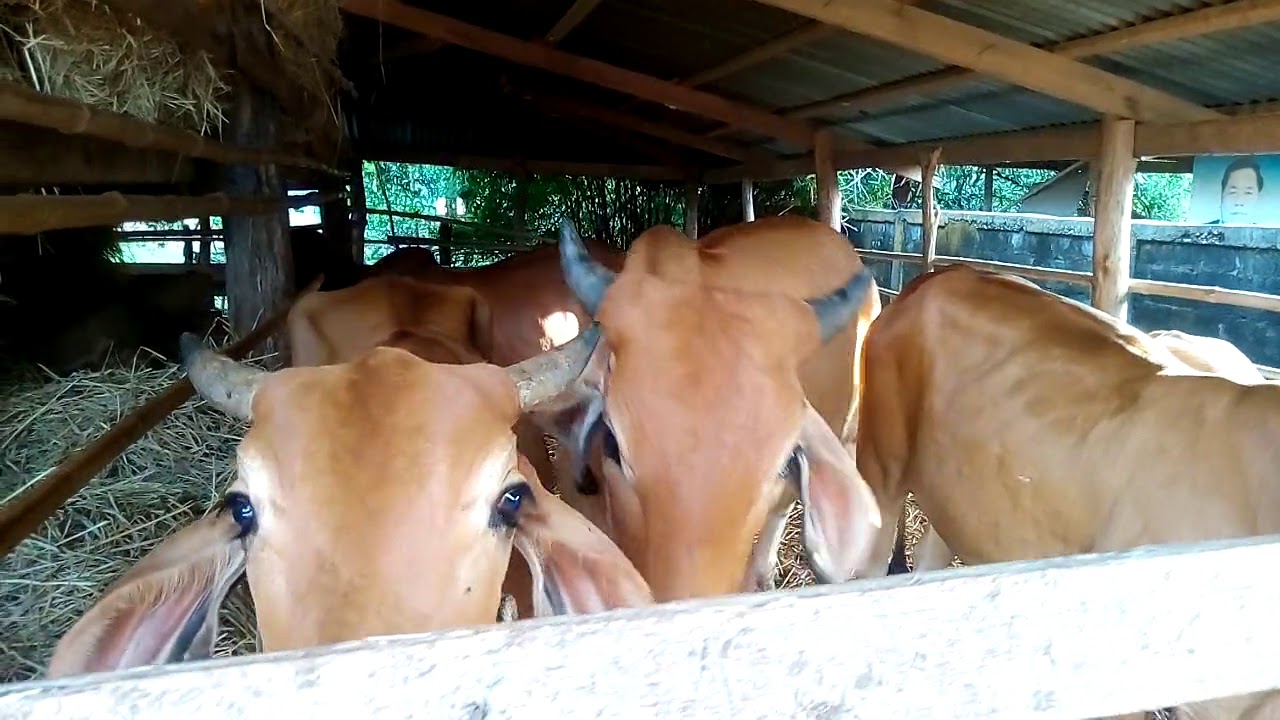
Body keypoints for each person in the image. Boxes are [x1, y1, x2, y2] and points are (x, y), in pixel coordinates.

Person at [1206, 156, 1264, 225]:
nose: (1239, 202)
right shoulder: (1201, 232)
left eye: (1248, 193)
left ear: (1258, 196)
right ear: (1222, 194)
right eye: (1233, 192)